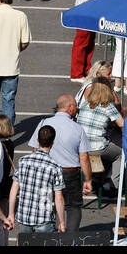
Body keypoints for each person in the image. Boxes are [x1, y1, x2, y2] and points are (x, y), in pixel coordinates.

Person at [27, 96, 92, 236]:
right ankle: (70, 238)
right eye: (75, 107)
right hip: (70, 173)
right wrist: (87, 179)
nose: (76, 110)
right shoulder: (77, 128)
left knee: (48, 205)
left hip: (46, 170)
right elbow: (84, 157)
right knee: (73, 207)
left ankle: (51, 235)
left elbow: (35, 149)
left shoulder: (43, 123)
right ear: (69, 108)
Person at [9, 124, 66, 236]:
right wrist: (62, 222)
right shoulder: (55, 167)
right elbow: (58, 198)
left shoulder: (23, 161)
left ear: (37, 140)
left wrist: (11, 213)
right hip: (44, 219)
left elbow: (14, 190)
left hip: (24, 217)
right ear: (53, 142)